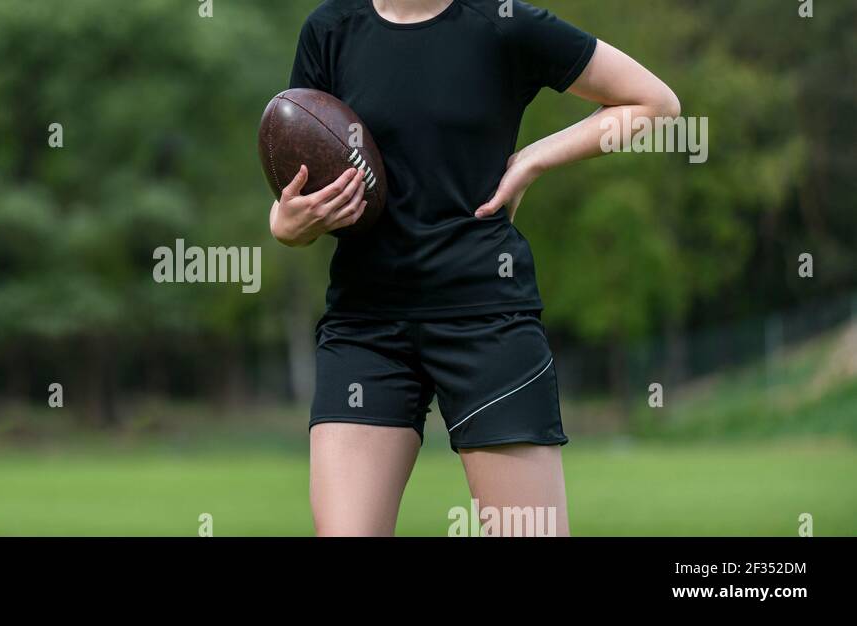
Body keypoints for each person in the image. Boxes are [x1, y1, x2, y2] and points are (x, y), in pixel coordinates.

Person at [269, 0, 680, 536]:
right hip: (366, 326)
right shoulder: (330, 30)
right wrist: (287, 224)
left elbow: (655, 102)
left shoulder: (503, 22)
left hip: (487, 319)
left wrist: (534, 157)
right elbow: (297, 181)